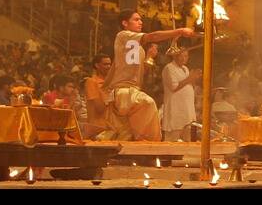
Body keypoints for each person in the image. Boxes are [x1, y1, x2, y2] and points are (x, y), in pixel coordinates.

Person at [99, 9, 194, 142]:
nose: (140, 22)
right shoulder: (123, 35)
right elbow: (152, 36)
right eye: (136, 19)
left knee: (124, 135)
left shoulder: (138, 48)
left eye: (140, 19)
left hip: (132, 91)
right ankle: (151, 143)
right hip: (123, 91)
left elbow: (135, 71)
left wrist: (149, 58)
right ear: (125, 23)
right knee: (148, 104)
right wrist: (179, 31)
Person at [162, 47, 200, 141]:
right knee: (172, 141)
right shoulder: (169, 68)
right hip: (175, 111)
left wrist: (194, 79)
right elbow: (174, 87)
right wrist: (190, 78)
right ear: (175, 56)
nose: (184, 58)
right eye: (181, 56)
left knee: (188, 140)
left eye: (186, 56)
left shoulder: (185, 69)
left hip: (187, 112)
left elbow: (188, 85)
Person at [84, 54, 112, 128]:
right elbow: (99, 108)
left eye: (109, 64)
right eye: (105, 64)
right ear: (97, 65)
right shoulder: (91, 82)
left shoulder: (112, 83)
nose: (108, 67)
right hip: (97, 127)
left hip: (112, 126)